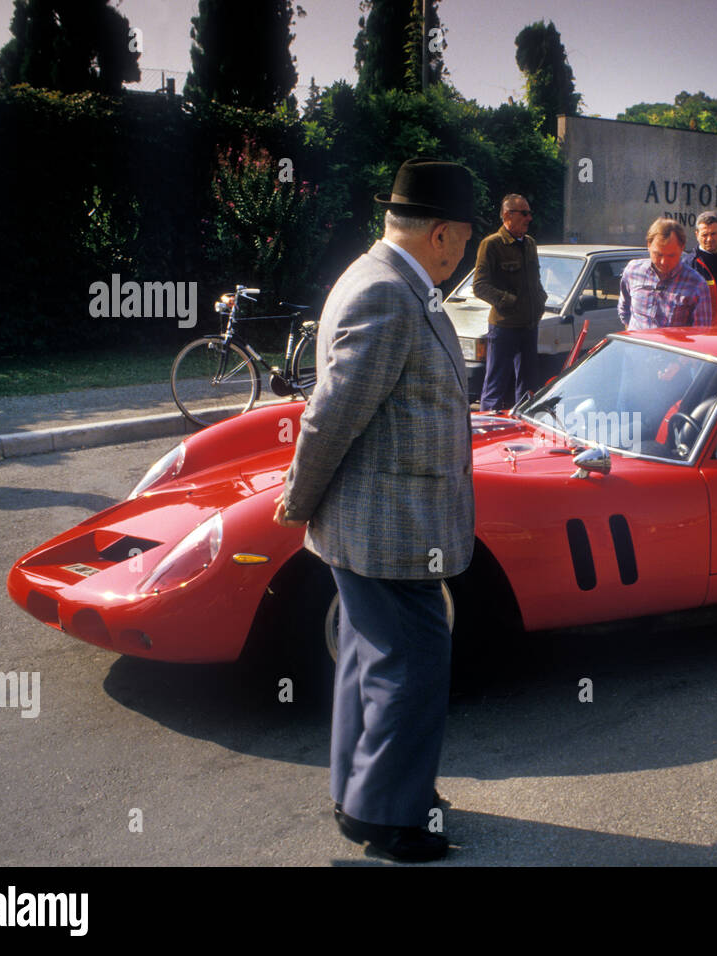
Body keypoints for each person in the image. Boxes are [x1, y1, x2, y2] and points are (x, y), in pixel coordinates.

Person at [273, 158, 476, 863]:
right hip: (392, 527)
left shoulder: (376, 277)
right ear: (444, 236)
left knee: (369, 661)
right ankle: (392, 820)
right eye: (466, 244)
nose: (464, 258)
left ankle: (362, 794)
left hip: (381, 522)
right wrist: (297, 499)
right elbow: (331, 416)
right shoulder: (390, 293)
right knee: (412, 667)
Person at [473, 193, 548, 410]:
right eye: (524, 213)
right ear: (507, 215)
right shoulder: (492, 244)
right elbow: (480, 286)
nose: (529, 218)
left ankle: (520, 426)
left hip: (529, 325)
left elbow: (536, 280)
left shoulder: (530, 243)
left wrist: (540, 299)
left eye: (529, 213)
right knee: (495, 383)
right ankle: (487, 429)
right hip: (504, 326)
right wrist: (509, 301)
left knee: (528, 386)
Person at [618, 218, 712, 329]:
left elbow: (700, 333)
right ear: (648, 245)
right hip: (635, 346)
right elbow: (625, 311)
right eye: (658, 254)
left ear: (682, 248)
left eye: (671, 255)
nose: (664, 262)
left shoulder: (697, 284)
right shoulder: (633, 271)